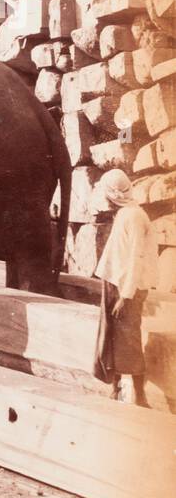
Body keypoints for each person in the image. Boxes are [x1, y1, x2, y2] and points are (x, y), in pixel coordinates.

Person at [93, 169, 158, 405]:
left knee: (129, 339)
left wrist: (125, 295)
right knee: (110, 335)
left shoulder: (134, 217)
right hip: (114, 283)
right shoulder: (124, 214)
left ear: (113, 194)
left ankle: (140, 396)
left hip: (126, 289)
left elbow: (136, 258)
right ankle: (115, 387)